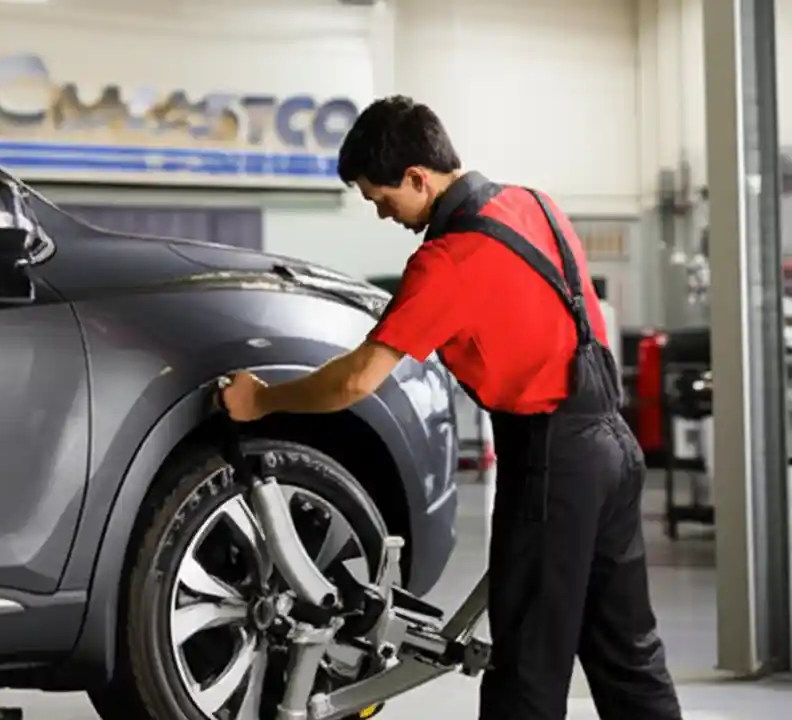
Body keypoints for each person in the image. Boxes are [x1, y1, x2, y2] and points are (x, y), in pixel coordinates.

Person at [219, 95, 682, 720]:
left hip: (554, 464)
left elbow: (357, 379)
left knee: (526, 669)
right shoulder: (532, 203)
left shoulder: (449, 260)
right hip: (614, 449)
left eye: (382, 198)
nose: (384, 214)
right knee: (628, 653)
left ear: (417, 176)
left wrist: (263, 400)